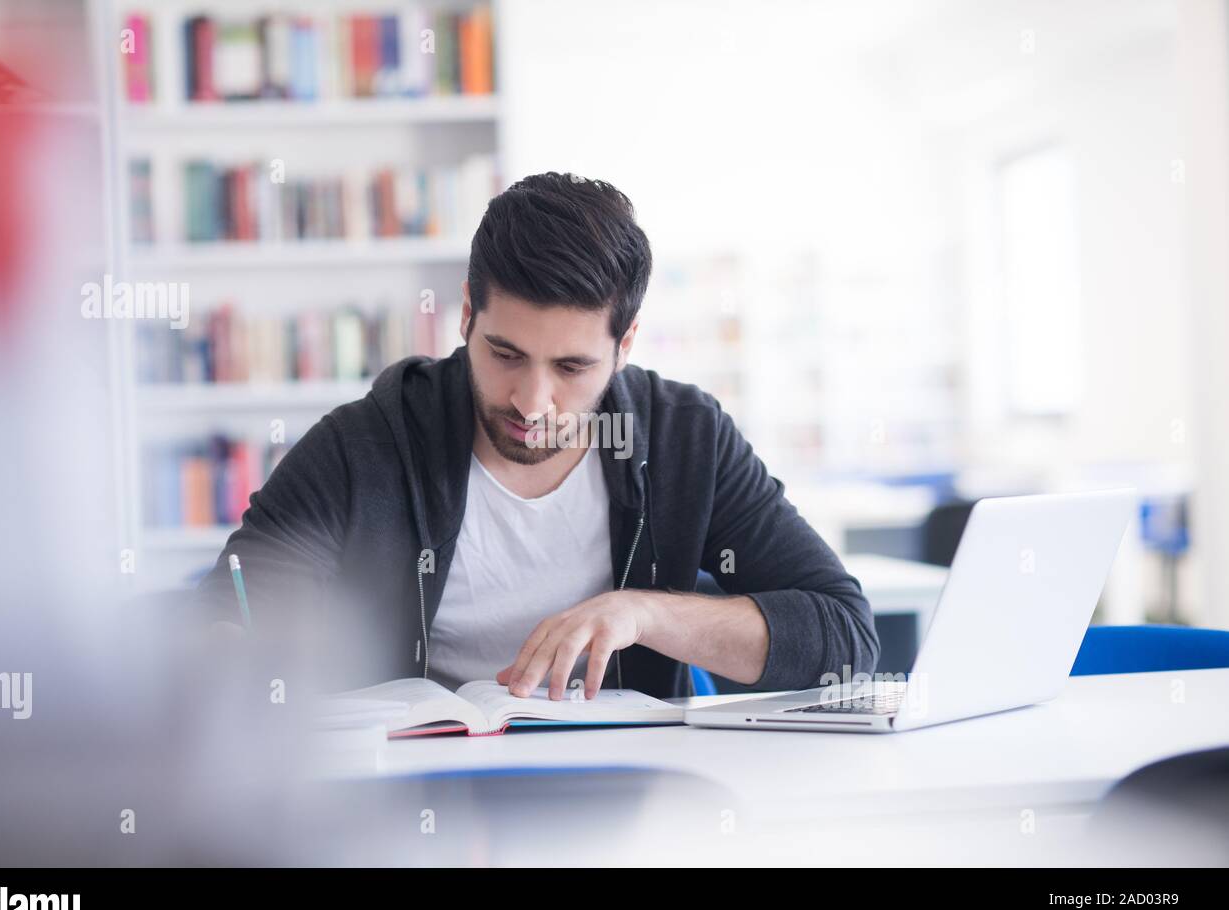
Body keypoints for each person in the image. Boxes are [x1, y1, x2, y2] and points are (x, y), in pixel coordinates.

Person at [196, 172, 878, 701]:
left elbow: (844, 636)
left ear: (624, 345)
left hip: (630, 801)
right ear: (466, 313)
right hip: (417, 804)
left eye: (572, 367)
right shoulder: (365, 444)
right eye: (506, 354)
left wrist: (643, 613)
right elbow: (233, 607)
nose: (531, 401)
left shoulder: (685, 439)